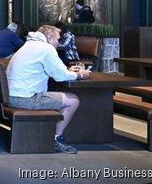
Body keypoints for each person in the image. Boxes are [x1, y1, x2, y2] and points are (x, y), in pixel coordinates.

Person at [6, 24, 91, 154]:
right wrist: (80, 75)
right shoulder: (46, 48)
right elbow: (60, 76)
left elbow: (54, 70)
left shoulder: (27, 46)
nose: (58, 43)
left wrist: (67, 70)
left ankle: (49, 133)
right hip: (25, 99)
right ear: (49, 38)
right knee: (73, 100)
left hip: (10, 96)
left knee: (56, 96)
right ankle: (55, 139)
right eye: (57, 39)